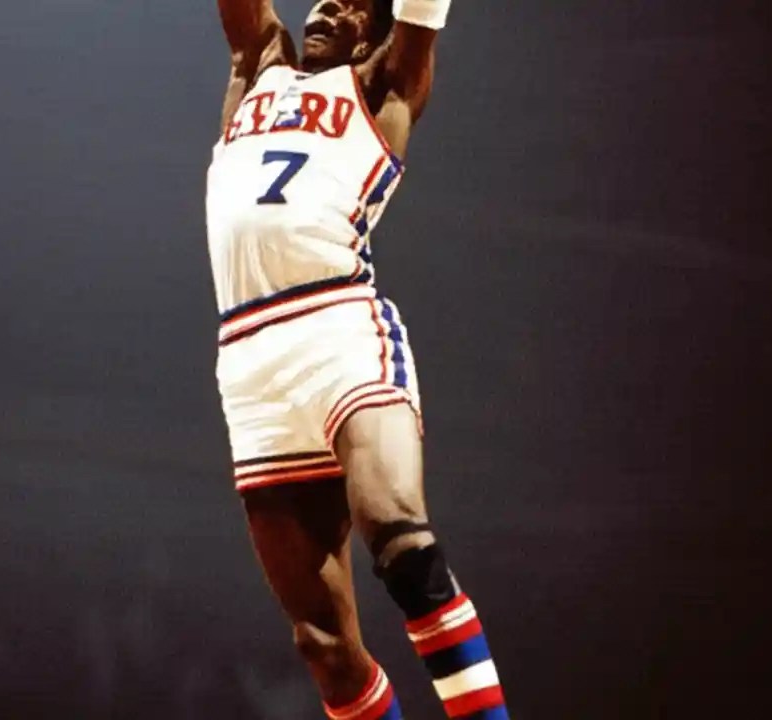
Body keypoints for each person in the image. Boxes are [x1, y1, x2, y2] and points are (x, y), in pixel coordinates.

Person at [206, 1, 509, 718]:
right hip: (248, 361)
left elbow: (420, 21)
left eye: (350, 8)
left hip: (336, 328)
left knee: (399, 538)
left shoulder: (383, 88)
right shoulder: (258, 67)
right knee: (324, 647)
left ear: (372, 34)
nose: (328, 9)